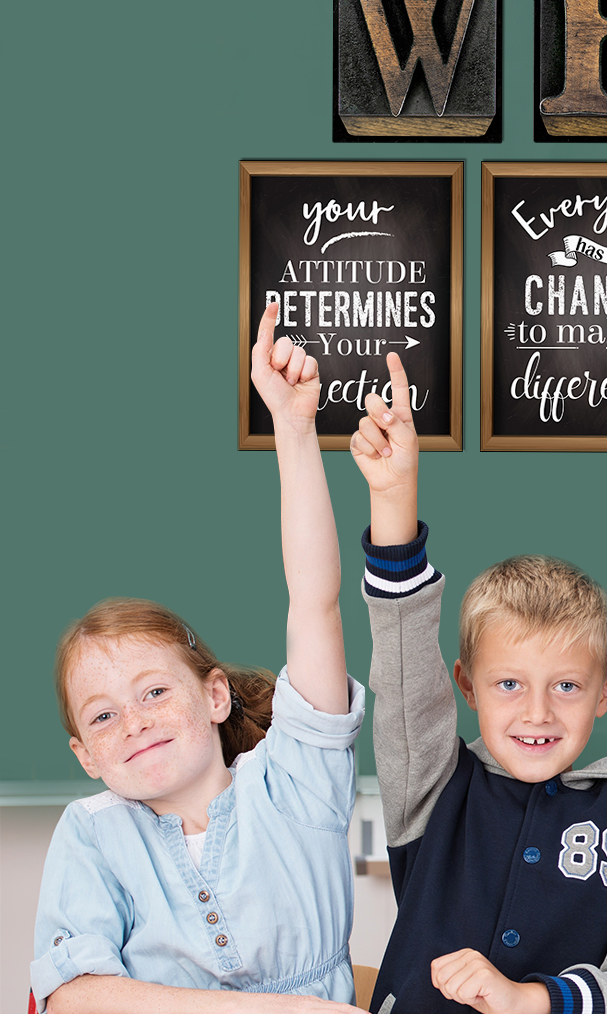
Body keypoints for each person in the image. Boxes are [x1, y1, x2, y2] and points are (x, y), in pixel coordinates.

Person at [33, 302, 365, 1013]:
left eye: (153, 692)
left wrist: (294, 429)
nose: (133, 722)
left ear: (216, 696)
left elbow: (315, 600)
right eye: (102, 715)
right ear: (85, 755)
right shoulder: (92, 833)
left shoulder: (294, 784)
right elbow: (72, 996)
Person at [351, 353, 607, 1014]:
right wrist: (393, 498)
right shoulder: (434, 784)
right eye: (509, 683)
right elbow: (402, 672)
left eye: (566, 686)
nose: (537, 712)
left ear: (606, 691)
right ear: (467, 687)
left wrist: (530, 1000)